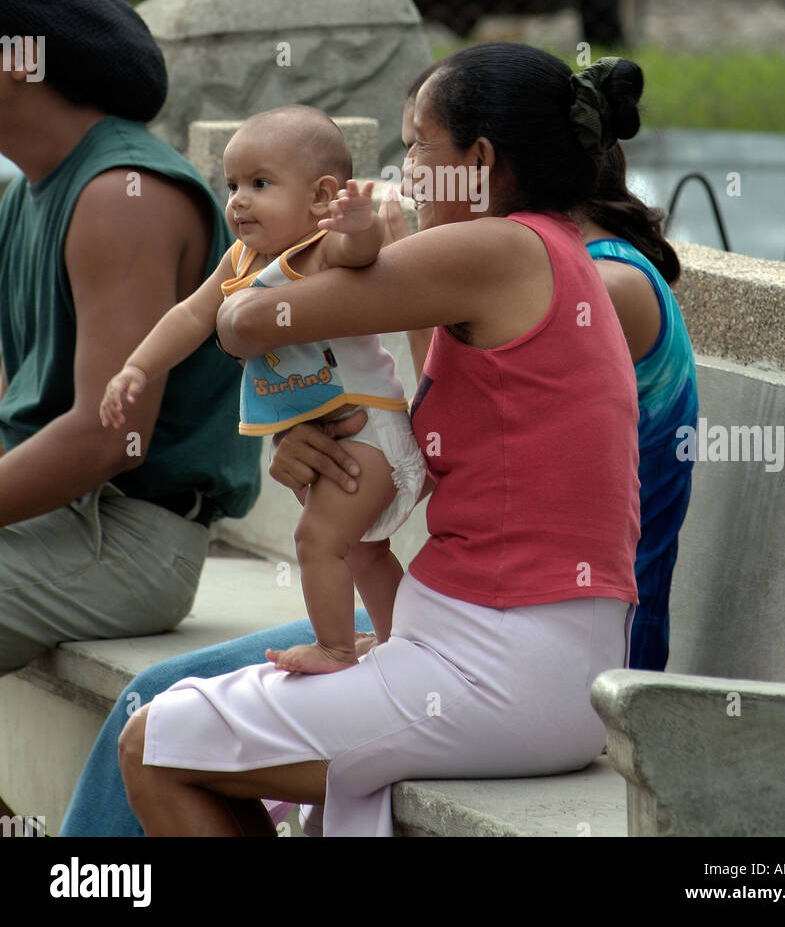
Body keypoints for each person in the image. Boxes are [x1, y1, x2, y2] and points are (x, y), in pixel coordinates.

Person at [115, 43, 642, 837]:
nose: (398, 173)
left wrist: (299, 258)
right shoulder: (548, 254)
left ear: (480, 160)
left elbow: (249, 321)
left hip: (502, 676)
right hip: (521, 665)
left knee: (151, 740)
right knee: (179, 723)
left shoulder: (495, 246)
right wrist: (304, 442)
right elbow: (430, 463)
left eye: (415, 146)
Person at [0, 0, 260, 807]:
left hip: (125, 542)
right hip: (52, 522)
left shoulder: (118, 195)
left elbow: (114, 433)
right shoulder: (26, 193)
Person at [100, 105, 426, 673]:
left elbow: (362, 253)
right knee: (363, 550)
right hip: (342, 440)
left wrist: (358, 223)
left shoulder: (320, 248)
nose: (238, 200)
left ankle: (334, 647)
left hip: (371, 430)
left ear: (322, 196)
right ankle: (401, 643)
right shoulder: (241, 260)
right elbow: (190, 316)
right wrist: (136, 368)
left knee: (315, 541)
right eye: (232, 186)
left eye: (260, 183)